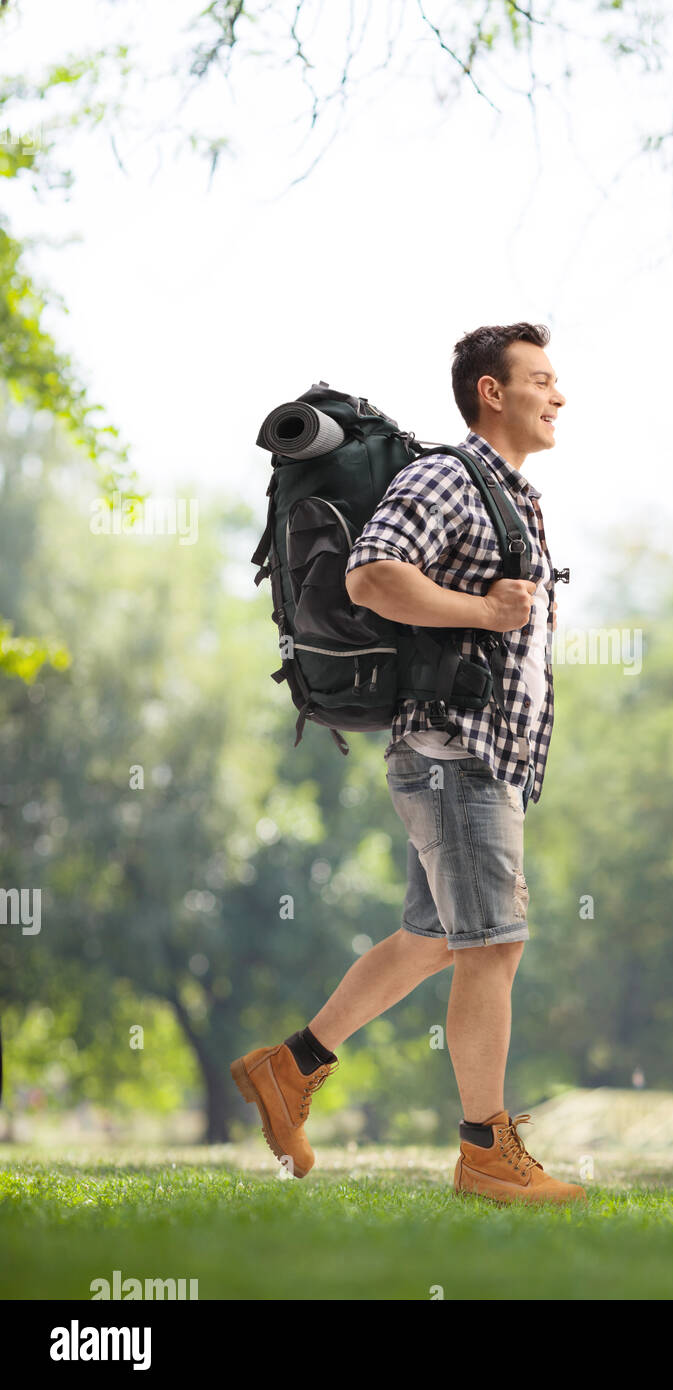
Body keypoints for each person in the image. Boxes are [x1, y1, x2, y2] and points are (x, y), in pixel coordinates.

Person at [230, 323, 585, 1204]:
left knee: (433, 940)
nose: (559, 395)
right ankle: (484, 1153)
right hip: (452, 754)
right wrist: (482, 612)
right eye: (541, 379)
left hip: (477, 758)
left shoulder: (513, 495)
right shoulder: (446, 477)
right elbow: (371, 574)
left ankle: (290, 1068)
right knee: (492, 949)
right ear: (491, 393)